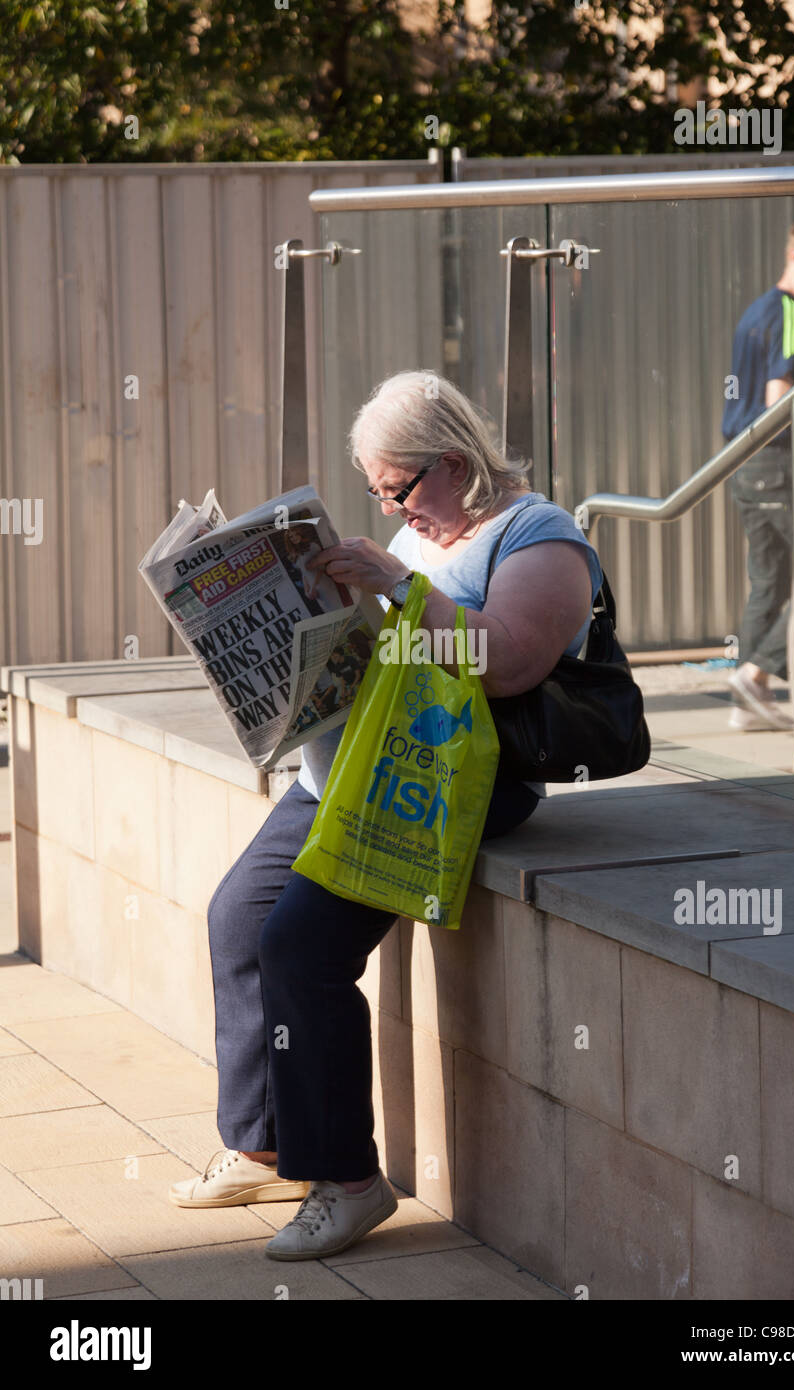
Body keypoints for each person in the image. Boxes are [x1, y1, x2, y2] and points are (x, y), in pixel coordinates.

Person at [169, 370, 604, 1260]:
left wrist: (398, 584)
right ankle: (266, 1143)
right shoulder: (424, 529)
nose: (392, 508)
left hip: (439, 780)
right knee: (239, 918)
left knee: (300, 946)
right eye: (375, 493)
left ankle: (349, 1183)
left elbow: (512, 660)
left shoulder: (539, 535)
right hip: (344, 772)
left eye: (397, 489)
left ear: (452, 462)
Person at [723, 216, 794, 732]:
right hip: (773, 459)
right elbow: (777, 399)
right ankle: (755, 670)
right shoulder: (789, 313)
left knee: (769, 577)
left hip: (740, 460)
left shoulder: (756, 310)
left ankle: (749, 696)